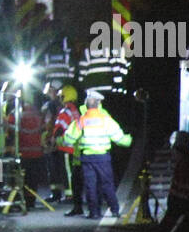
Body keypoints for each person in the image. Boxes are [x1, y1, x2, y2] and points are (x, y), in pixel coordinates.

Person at [63, 90, 132, 220]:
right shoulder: (105, 119)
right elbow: (119, 138)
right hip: (103, 158)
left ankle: (94, 213)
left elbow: (69, 139)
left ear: (86, 105)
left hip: (87, 159)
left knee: (90, 186)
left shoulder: (81, 120)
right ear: (98, 104)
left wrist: (62, 139)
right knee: (107, 184)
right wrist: (129, 139)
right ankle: (115, 210)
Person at [158, 130, 189, 232]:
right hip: (179, 203)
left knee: (169, 230)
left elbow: (185, 190)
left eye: (174, 149)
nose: (172, 152)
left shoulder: (185, 165)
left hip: (179, 204)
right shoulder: (187, 163)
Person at [52, 85, 82, 213]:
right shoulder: (75, 110)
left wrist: (54, 139)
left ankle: (70, 195)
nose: (60, 99)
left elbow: (59, 128)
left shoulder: (65, 112)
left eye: (61, 96)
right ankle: (73, 195)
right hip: (75, 146)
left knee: (68, 172)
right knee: (73, 172)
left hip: (66, 146)